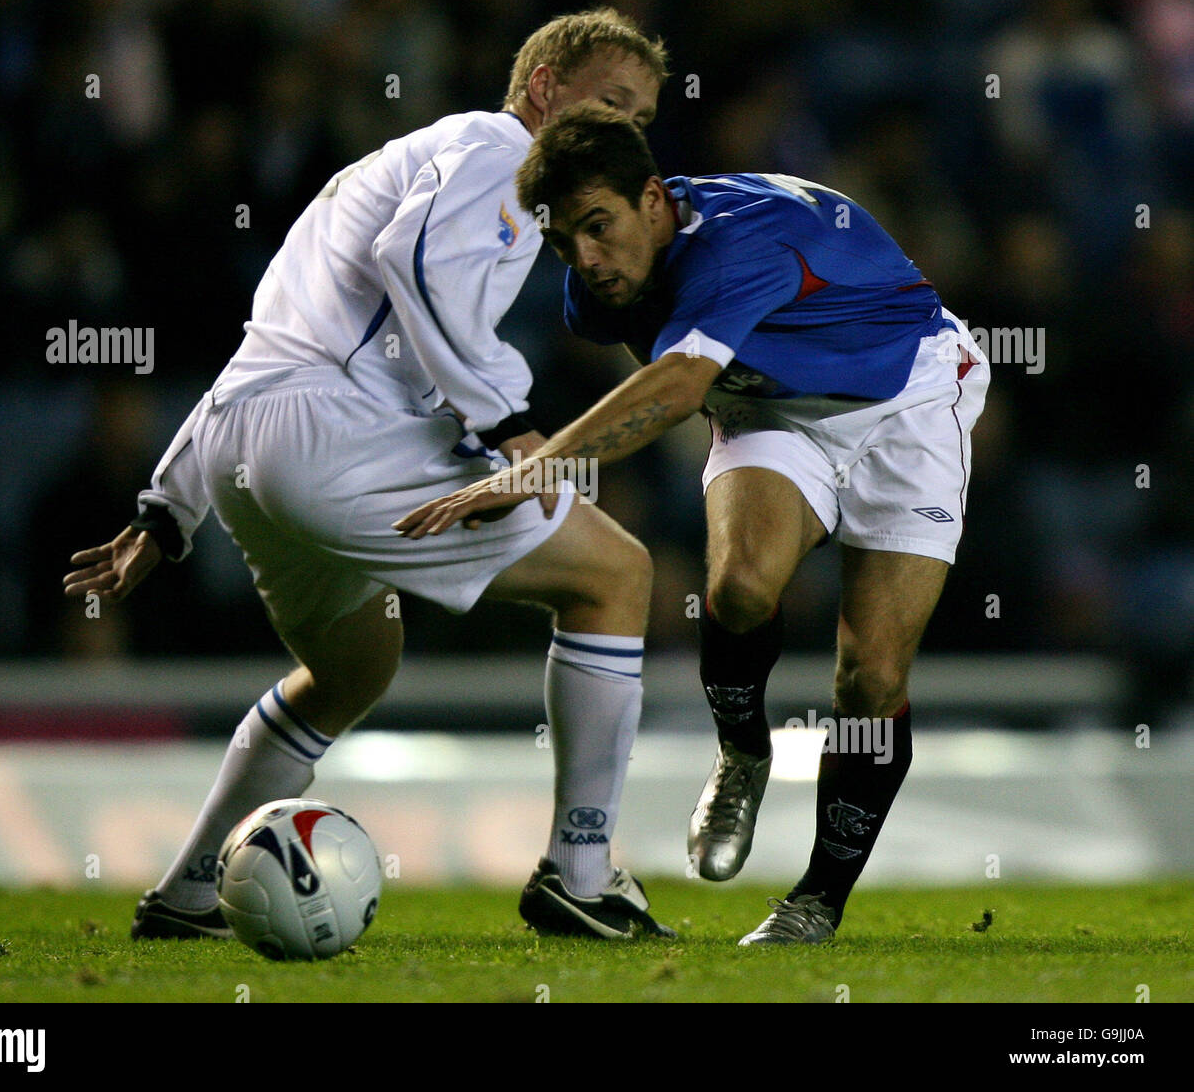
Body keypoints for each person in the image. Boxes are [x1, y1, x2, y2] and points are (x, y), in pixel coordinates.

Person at [64, 10, 677, 942]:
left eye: (638, 120)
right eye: (609, 103)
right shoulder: (496, 149)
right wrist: (508, 420)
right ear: (544, 88)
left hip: (248, 447)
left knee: (355, 663)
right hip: (332, 438)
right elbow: (412, 260)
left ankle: (190, 894)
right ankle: (580, 876)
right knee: (617, 574)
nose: (622, 132)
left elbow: (264, 356)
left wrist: (167, 505)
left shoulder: (403, 161)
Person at [395, 103, 990, 945]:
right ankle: (745, 749)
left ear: (652, 199)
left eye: (598, 227)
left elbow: (675, 390)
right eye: (565, 242)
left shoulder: (737, 244)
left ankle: (816, 901)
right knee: (740, 586)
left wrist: (532, 470)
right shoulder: (600, 287)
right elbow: (680, 382)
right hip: (771, 404)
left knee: (871, 678)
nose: (586, 259)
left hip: (911, 396)